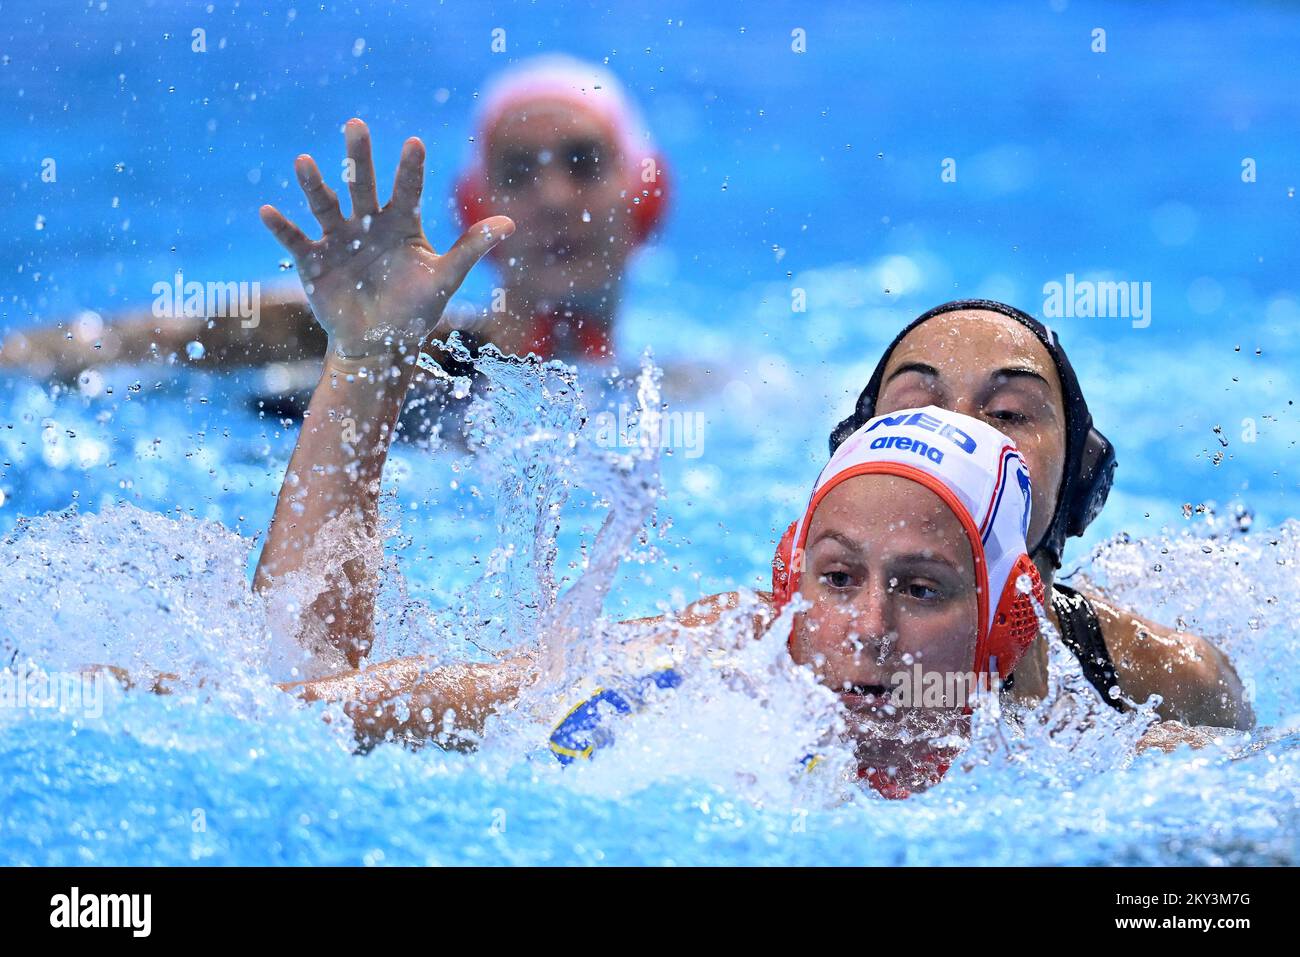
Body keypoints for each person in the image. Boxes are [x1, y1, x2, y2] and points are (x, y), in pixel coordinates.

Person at [273, 405, 1048, 799]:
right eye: (838, 579)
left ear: (1002, 618)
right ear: (791, 583)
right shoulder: (689, 695)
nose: (870, 631)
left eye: (921, 589)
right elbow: (408, 700)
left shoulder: (1075, 766)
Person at [0, 55, 667, 387]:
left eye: (583, 162)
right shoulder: (355, 338)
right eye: (517, 173)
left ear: (647, 195)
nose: (552, 197)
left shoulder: (694, 397)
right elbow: (121, 344)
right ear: (471, 209)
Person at [826, 299, 1253, 730]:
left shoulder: (1167, 680)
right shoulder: (766, 656)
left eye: (1007, 414)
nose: (956, 437)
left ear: (1079, 479)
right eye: (915, 408)